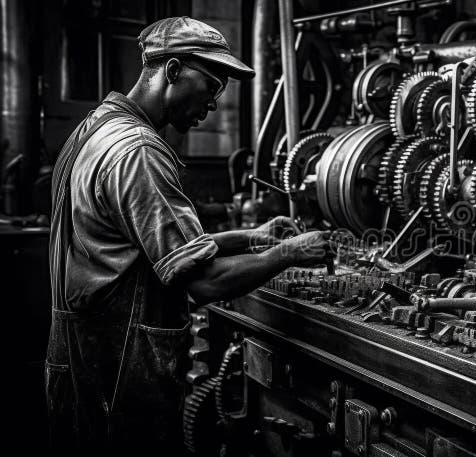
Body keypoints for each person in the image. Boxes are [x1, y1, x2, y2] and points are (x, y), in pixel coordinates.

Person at [46, 17, 332, 454]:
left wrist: (252, 237)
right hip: (118, 374)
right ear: (173, 70)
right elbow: (203, 281)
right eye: (211, 86)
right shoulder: (139, 152)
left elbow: (148, 248)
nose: (214, 103)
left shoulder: (96, 128)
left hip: (80, 362)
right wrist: (288, 253)